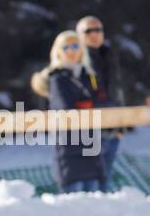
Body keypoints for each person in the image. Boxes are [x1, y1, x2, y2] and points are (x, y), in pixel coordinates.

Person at [33, 30, 106, 193]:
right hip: (69, 145)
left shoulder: (89, 75)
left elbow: (101, 100)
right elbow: (64, 106)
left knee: (95, 201)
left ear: (82, 49)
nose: (71, 50)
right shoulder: (57, 78)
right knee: (73, 201)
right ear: (58, 51)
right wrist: (88, 106)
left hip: (91, 143)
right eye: (66, 47)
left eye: (75, 46)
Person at [77, 15, 123, 188]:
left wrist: (121, 126)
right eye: (89, 31)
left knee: (106, 179)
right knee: (89, 182)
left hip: (112, 127)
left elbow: (117, 91)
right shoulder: (76, 58)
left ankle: (105, 213)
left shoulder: (109, 55)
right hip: (88, 129)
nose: (94, 34)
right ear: (79, 34)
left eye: (98, 30)